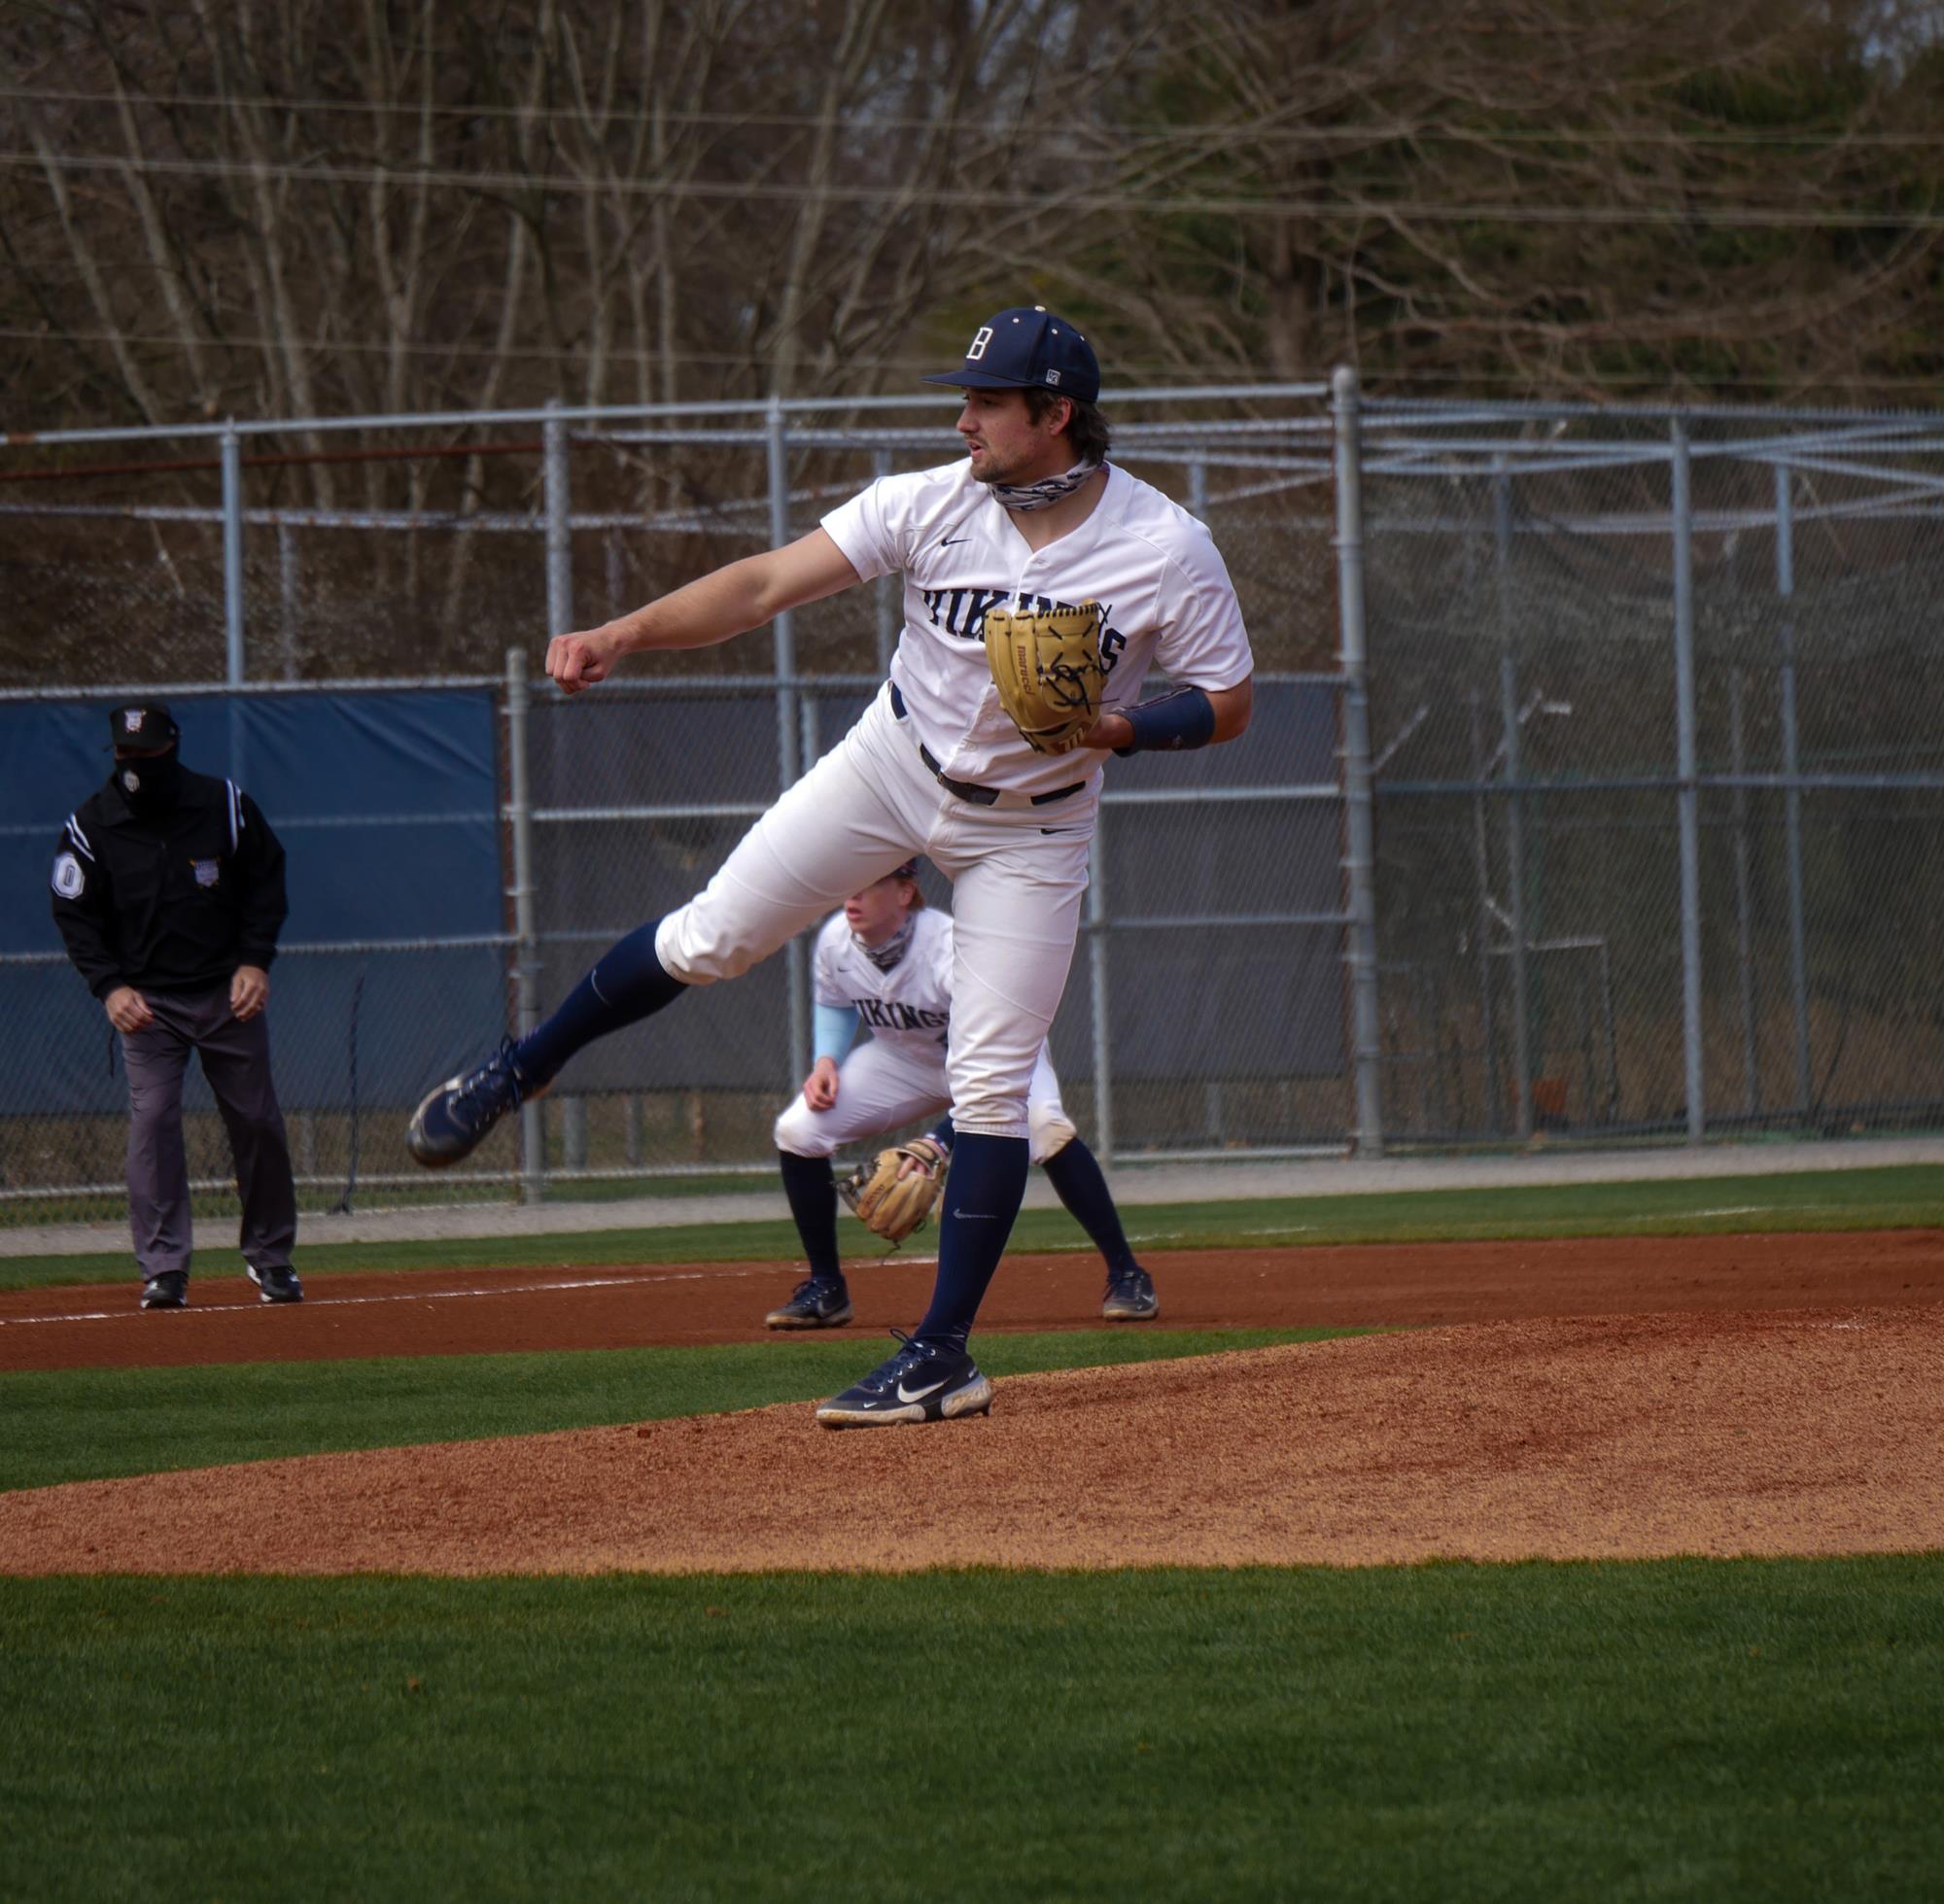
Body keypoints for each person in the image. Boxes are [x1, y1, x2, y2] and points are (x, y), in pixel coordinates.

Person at [408, 303, 1253, 1426]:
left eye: (987, 405)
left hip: (1032, 824)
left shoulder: (1161, 544)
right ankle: (520, 1069)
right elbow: (762, 586)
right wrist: (622, 635)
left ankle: (940, 1354)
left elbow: (1228, 702)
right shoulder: (931, 504)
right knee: (711, 936)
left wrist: (1122, 729)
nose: (964, 423)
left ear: (1054, 415)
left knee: (994, 1086)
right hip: (892, 765)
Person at [765, 861, 1158, 1331]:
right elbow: (834, 1001)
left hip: (1001, 1052)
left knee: (1045, 1129)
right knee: (798, 1130)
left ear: (905, 893)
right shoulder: (835, 941)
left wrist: (938, 1140)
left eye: (869, 886)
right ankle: (826, 1287)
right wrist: (826, 1061)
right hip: (903, 1059)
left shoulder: (949, 947)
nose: (853, 897)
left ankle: (1128, 1274)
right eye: (850, 884)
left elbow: (983, 1066)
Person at [50, 702, 304, 1309]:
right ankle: (164, 1268)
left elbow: (266, 881)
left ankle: (272, 1259)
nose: (136, 765)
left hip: (226, 994)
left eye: (148, 753)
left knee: (257, 1121)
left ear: (172, 749)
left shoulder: (223, 806)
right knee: (154, 1121)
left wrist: (254, 960)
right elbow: (74, 914)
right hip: (147, 1004)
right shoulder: (93, 825)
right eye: (125, 754)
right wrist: (109, 986)